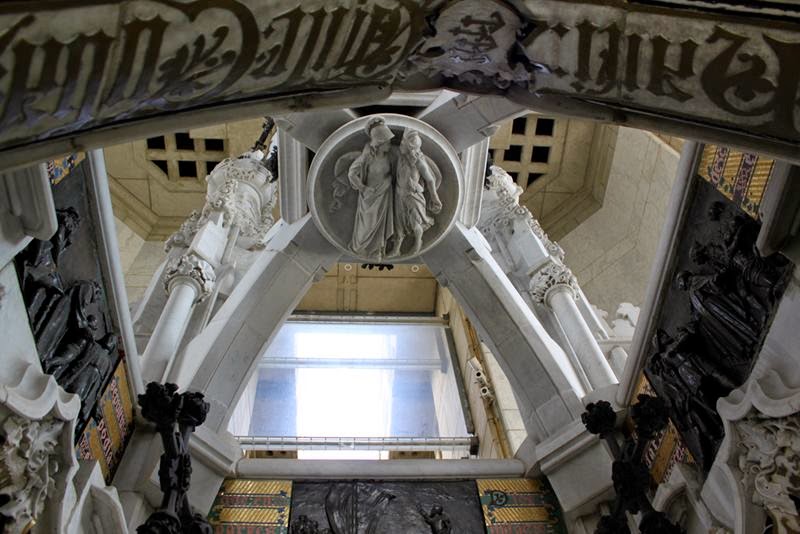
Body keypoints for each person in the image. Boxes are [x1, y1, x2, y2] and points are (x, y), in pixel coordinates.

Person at [347, 117, 397, 260]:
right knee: (367, 226)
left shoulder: (389, 156)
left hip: (384, 195)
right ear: (379, 143)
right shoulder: (367, 156)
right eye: (387, 141)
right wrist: (363, 188)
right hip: (369, 198)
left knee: (380, 226)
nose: (389, 143)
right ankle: (360, 249)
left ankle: (377, 251)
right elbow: (352, 173)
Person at [390, 129, 442, 257]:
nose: (400, 145)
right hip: (399, 195)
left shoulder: (418, 162)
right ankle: (397, 249)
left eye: (403, 144)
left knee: (415, 223)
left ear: (410, 147)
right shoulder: (402, 158)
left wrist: (435, 198)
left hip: (413, 196)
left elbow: (430, 180)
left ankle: (418, 242)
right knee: (399, 224)